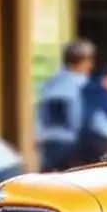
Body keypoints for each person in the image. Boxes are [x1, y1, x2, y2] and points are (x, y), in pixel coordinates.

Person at [36, 40, 95, 172]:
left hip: (48, 142)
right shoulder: (82, 84)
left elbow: (41, 114)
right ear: (83, 62)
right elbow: (78, 119)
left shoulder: (51, 83)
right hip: (71, 143)